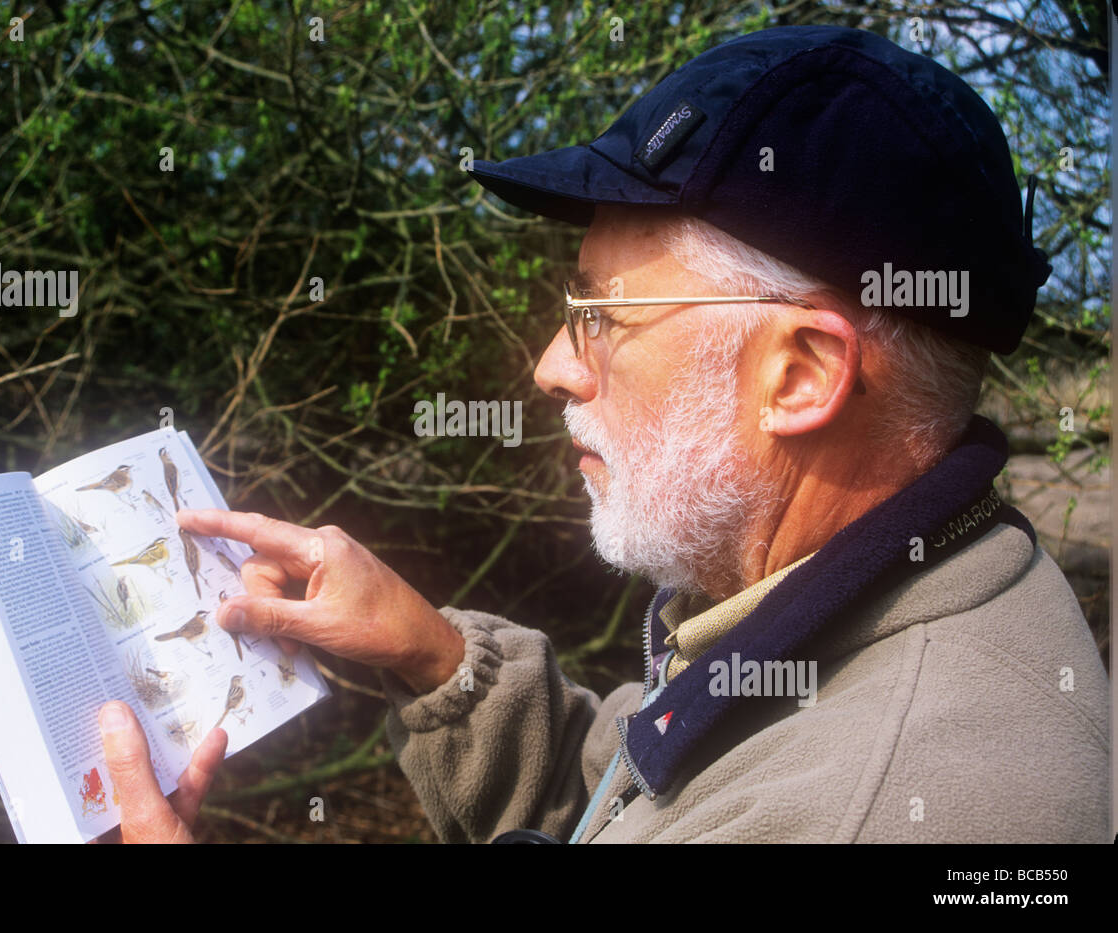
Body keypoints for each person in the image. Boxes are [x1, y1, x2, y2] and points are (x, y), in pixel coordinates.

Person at [95, 25, 1110, 843]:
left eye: (603, 317)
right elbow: (636, 804)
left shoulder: (871, 809)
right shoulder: (862, 608)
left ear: (799, 376)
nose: (552, 364)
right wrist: (440, 662)